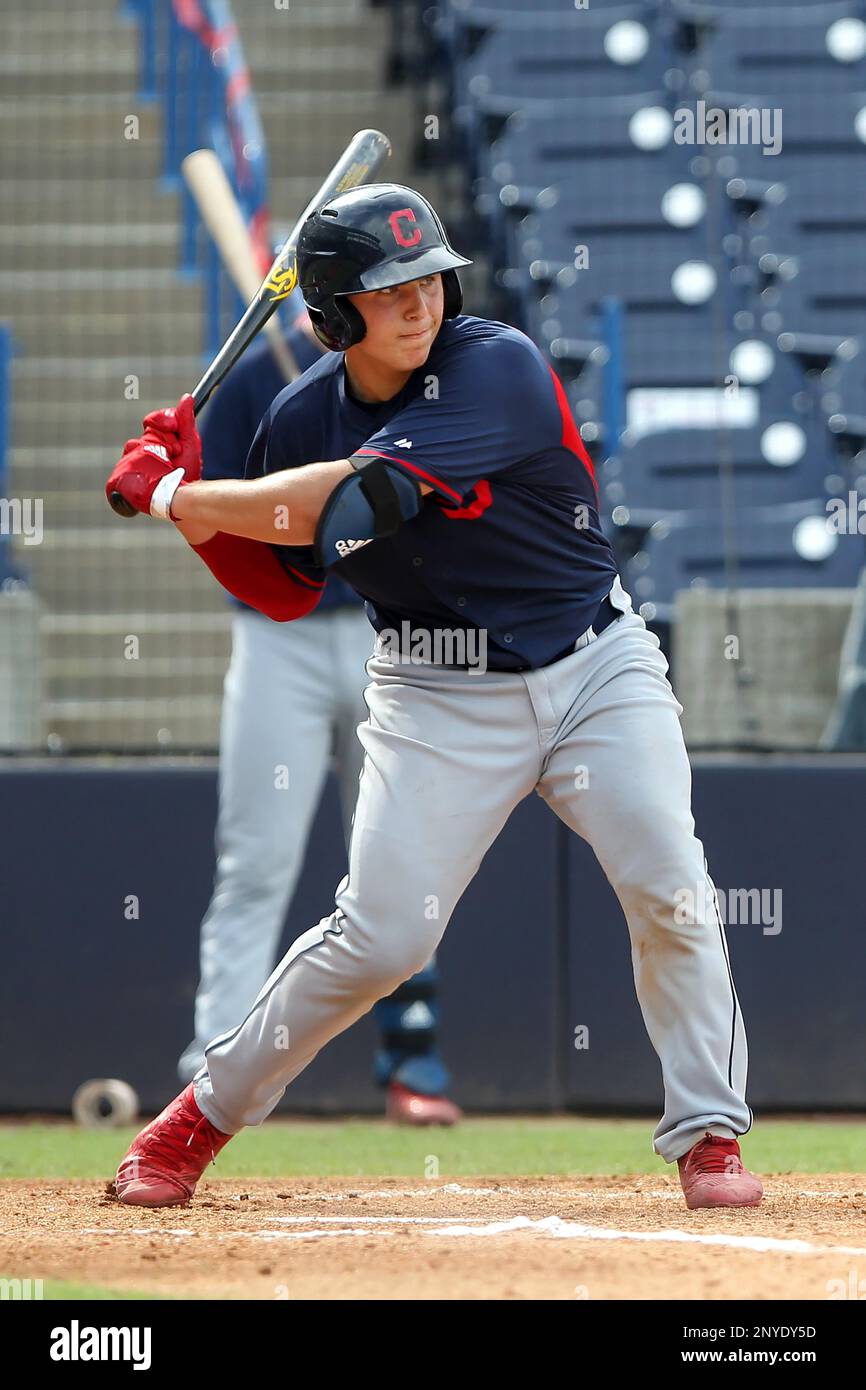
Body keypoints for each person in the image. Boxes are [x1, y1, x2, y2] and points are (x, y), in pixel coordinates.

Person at [106, 183, 763, 1212]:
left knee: (667, 879)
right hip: (433, 690)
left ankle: (709, 1133)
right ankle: (194, 1119)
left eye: (427, 280)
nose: (419, 304)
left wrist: (179, 495)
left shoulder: (494, 366)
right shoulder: (296, 419)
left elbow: (357, 500)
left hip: (592, 665)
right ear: (331, 313)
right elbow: (279, 586)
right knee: (382, 940)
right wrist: (196, 514)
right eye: (387, 289)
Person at [177, 300, 461, 1125]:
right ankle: (209, 1073)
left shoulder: (421, 375)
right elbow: (213, 508)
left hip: (395, 633)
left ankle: (416, 1067)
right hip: (279, 640)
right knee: (255, 860)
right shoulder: (254, 378)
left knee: (404, 866)